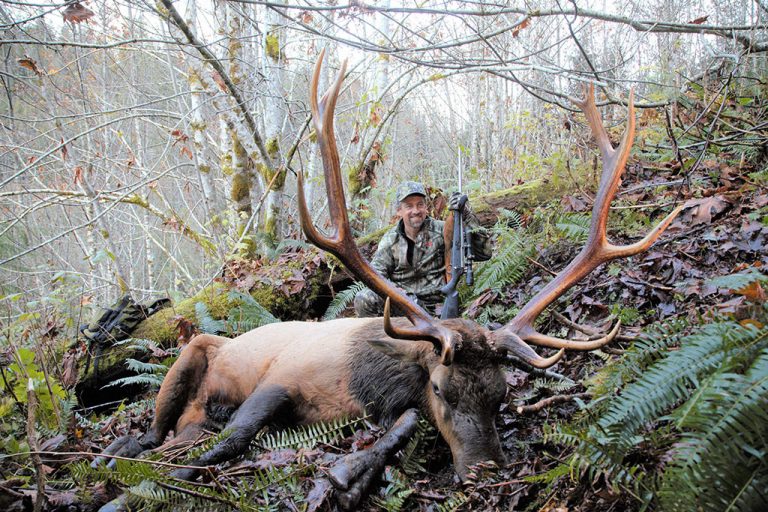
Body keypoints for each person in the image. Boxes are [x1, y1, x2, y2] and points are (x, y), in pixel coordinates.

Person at [354, 180, 492, 317]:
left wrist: (468, 216)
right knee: (364, 298)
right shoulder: (390, 240)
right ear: (399, 210)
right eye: (409, 206)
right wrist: (402, 295)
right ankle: (383, 338)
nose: (416, 211)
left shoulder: (444, 230)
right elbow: (376, 277)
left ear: (426, 206)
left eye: (420, 204)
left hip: (438, 308)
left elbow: (484, 253)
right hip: (404, 305)